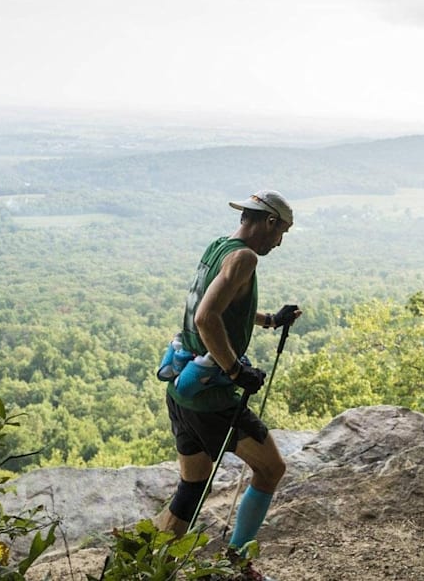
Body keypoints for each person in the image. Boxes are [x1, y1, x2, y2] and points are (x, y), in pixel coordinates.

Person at [155, 190, 302, 569]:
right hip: (212, 398)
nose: (280, 242)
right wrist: (237, 370)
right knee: (272, 469)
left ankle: (145, 566)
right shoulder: (246, 257)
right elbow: (207, 319)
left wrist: (269, 319)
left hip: (183, 388)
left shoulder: (220, 248)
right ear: (269, 222)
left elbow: (219, 305)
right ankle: (236, 566)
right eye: (281, 232)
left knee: (191, 488)